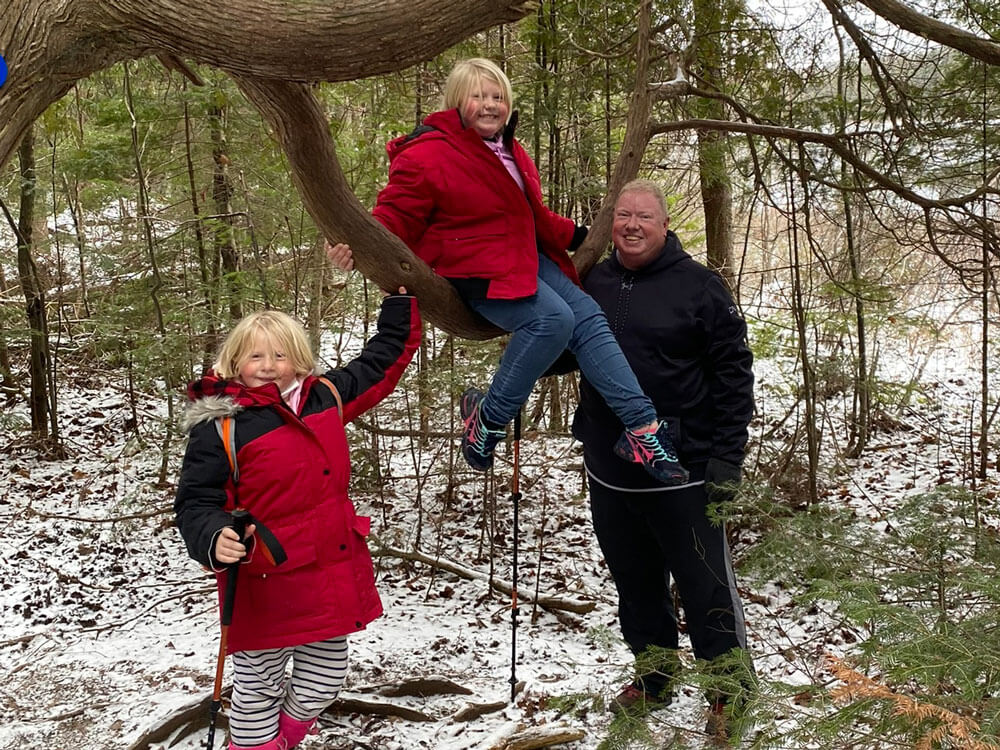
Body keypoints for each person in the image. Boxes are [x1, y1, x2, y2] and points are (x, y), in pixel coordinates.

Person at [371, 57, 687, 486]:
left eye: (497, 96)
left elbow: (529, 216)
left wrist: (578, 235)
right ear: (456, 101)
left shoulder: (509, 149)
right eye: (478, 95)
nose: (489, 105)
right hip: (474, 269)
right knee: (553, 320)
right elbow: (394, 215)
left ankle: (642, 430)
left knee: (588, 319)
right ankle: (487, 418)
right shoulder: (428, 152)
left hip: (525, 259)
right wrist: (359, 244)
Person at [174, 244, 420, 750]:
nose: (268, 365)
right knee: (256, 691)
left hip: (327, 571)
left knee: (324, 681)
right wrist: (212, 536)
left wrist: (399, 303)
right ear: (235, 361)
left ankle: (281, 741)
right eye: (255, 355)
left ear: (299, 358)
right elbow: (196, 501)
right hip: (264, 578)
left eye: (280, 354)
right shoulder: (220, 425)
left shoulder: (322, 397)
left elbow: (379, 363)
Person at [571, 180, 755, 738]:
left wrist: (728, 454)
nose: (631, 225)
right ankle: (654, 678)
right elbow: (567, 349)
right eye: (622, 215)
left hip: (685, 469)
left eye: (643, 216)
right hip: (610, 468)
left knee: (704, 585)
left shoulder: (700, 288)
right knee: (634, 581)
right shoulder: (593, 281)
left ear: (664, 223)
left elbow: (733, 372)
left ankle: (729, 691)